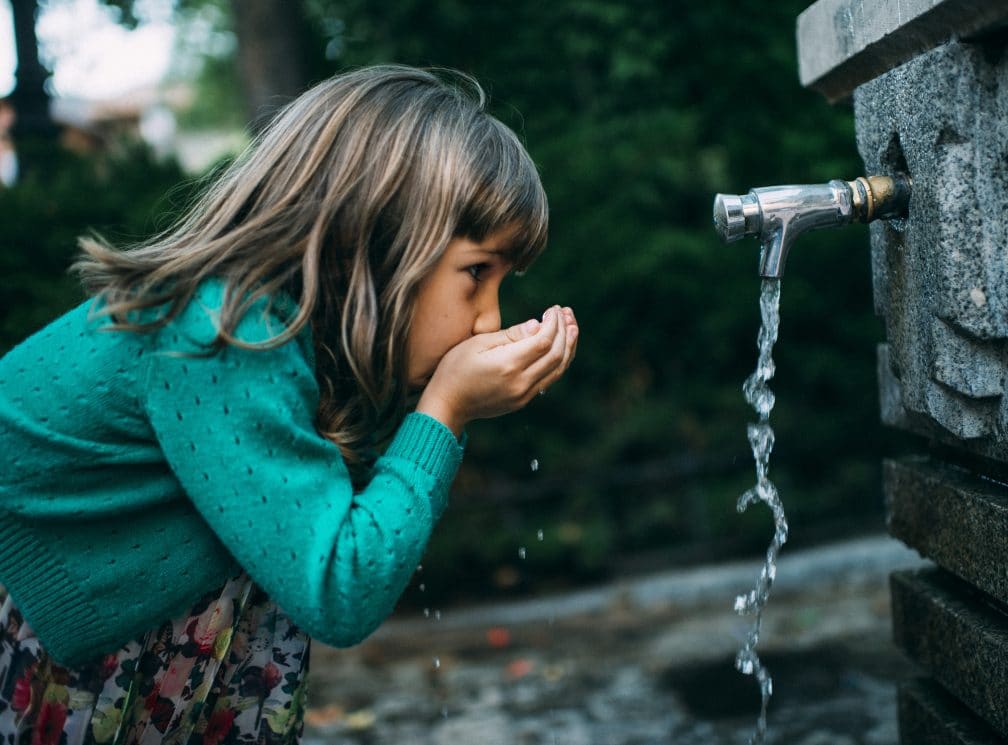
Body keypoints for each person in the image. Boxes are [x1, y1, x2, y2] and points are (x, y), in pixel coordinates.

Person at [0, 65, 578, 744]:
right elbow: (338, 586)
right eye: (478, 273)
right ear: (372, 237)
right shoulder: (227, 336)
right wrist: (445, 410)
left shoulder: (300, 345)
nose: (489, 320)